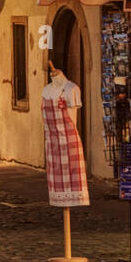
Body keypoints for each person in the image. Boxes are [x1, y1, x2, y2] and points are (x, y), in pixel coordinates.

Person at [40, 61, 89, 207]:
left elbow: (73, 120)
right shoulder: (46, 90)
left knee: (72, 182)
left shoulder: (71, 89)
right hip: (52, 144)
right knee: (57, 185)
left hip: (69, 142)